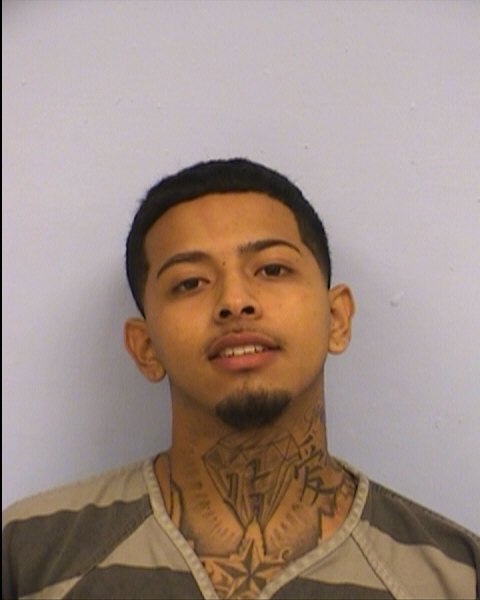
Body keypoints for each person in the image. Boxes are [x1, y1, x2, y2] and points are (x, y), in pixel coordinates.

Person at [2, 158, 479, 600]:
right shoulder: (30, 555)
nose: (235, 301)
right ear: (145, 347)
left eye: (272, 269)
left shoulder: (454, 575)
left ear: (336, 319)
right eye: (190, 282)